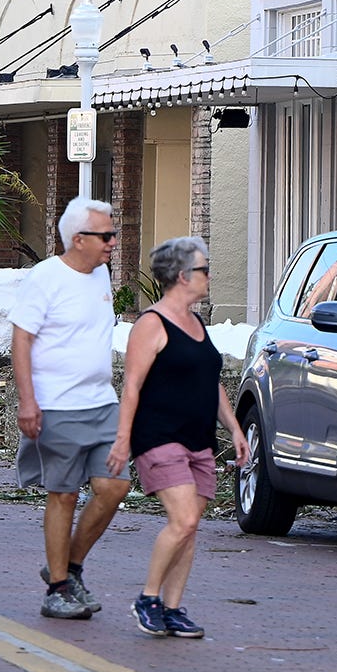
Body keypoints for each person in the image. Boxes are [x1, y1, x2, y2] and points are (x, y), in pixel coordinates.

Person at [107, 236, 250, 639]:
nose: (209, 277)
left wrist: (235, 429)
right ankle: (148, 598)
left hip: (199, 439)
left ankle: (172, 608)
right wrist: (123, 440)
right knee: (183, 519)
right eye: (204, 270)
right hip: (158, 437)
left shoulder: (196, 323)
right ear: (184, 276)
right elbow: (132, 387)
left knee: (189, 526)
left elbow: (210, 382)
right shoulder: (151, 324)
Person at [9, 196, 130, 621]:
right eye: (106, 235)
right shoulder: (45, 278)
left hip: (102, 403)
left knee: (114, 487)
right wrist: (28, 401)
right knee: (64, 493)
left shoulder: (101, 275)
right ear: (79, 239)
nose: (113, 241)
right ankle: (57, 589)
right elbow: (21, 340)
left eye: (113, 233)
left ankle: (68, 567)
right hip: (56, 405)